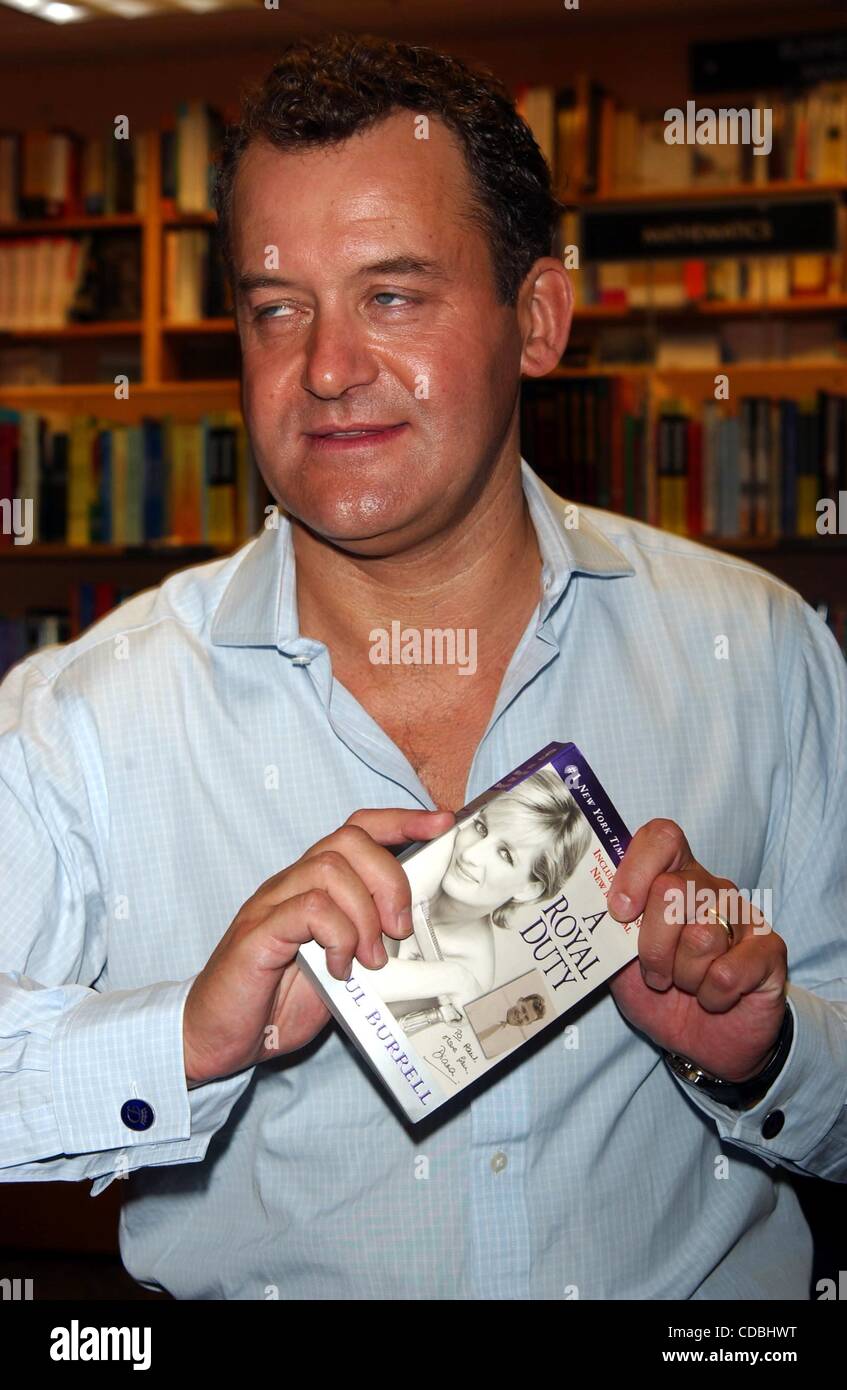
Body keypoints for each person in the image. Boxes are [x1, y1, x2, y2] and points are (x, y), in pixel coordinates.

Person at [1, 33, 845, 1303]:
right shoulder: (80, 715)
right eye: (277, 307)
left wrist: (766, 1054)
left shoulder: (762, 652)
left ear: (538, 319)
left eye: (392, 295)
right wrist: (180, 1037)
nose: (326, 369)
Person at [380, 768, 592, 1020]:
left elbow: (362, 996)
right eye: (481, 828)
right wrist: (453, 977)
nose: (470, 854)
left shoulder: (478, 970)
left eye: (505, 854)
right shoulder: (444, 847)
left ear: (529, 888)